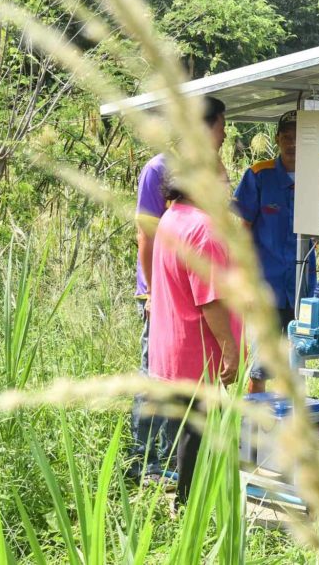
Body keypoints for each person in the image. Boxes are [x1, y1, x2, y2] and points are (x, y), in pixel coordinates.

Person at [129, 95, 226, 481]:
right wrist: (154, 293)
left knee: (188, 381)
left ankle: (176, 464)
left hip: (194, 288)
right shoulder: (160, 168)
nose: (224, 134)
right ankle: (148, 463)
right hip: (163, 292)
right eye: (221, 125)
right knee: (157, 375)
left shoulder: (210, 167)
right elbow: (146, 235)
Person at [148, 173, 243, 506]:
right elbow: (209, 299)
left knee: (189, 433)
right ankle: (190, 512)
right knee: (199, 436)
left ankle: (186, 505)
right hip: (198, 352)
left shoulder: (172, 218)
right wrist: (230, 349)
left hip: (172, 352)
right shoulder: (204, 229)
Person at [233, 110, 314, 389]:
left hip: (302, 291)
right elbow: (241, 231)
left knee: (297, 367)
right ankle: (255, 428)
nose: (292, 144)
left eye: (298, 138)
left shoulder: (317, 177)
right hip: (266, 290)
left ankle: (292, 428)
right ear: (278, 139)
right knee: (260, 369)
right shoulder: (259, 176)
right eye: (287, 137)